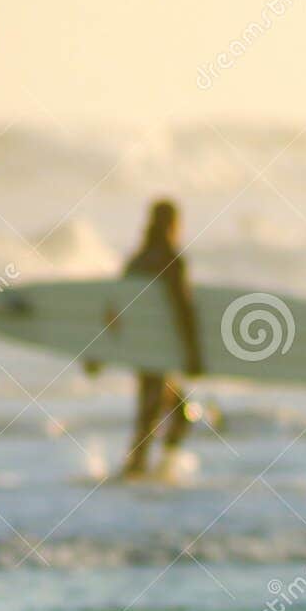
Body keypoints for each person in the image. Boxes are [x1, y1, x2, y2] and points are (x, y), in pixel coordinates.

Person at [120, 199, 203, 478]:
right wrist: (193, 353)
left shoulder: (137, 261)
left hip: (140, 348)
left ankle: (147, 470)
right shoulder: (171, 260)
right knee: (161, 416)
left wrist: (99, 352)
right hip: (161, 350)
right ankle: (139, 472)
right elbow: (183, 308)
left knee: (161, 413)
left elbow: (117, 308)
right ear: (172, 225)